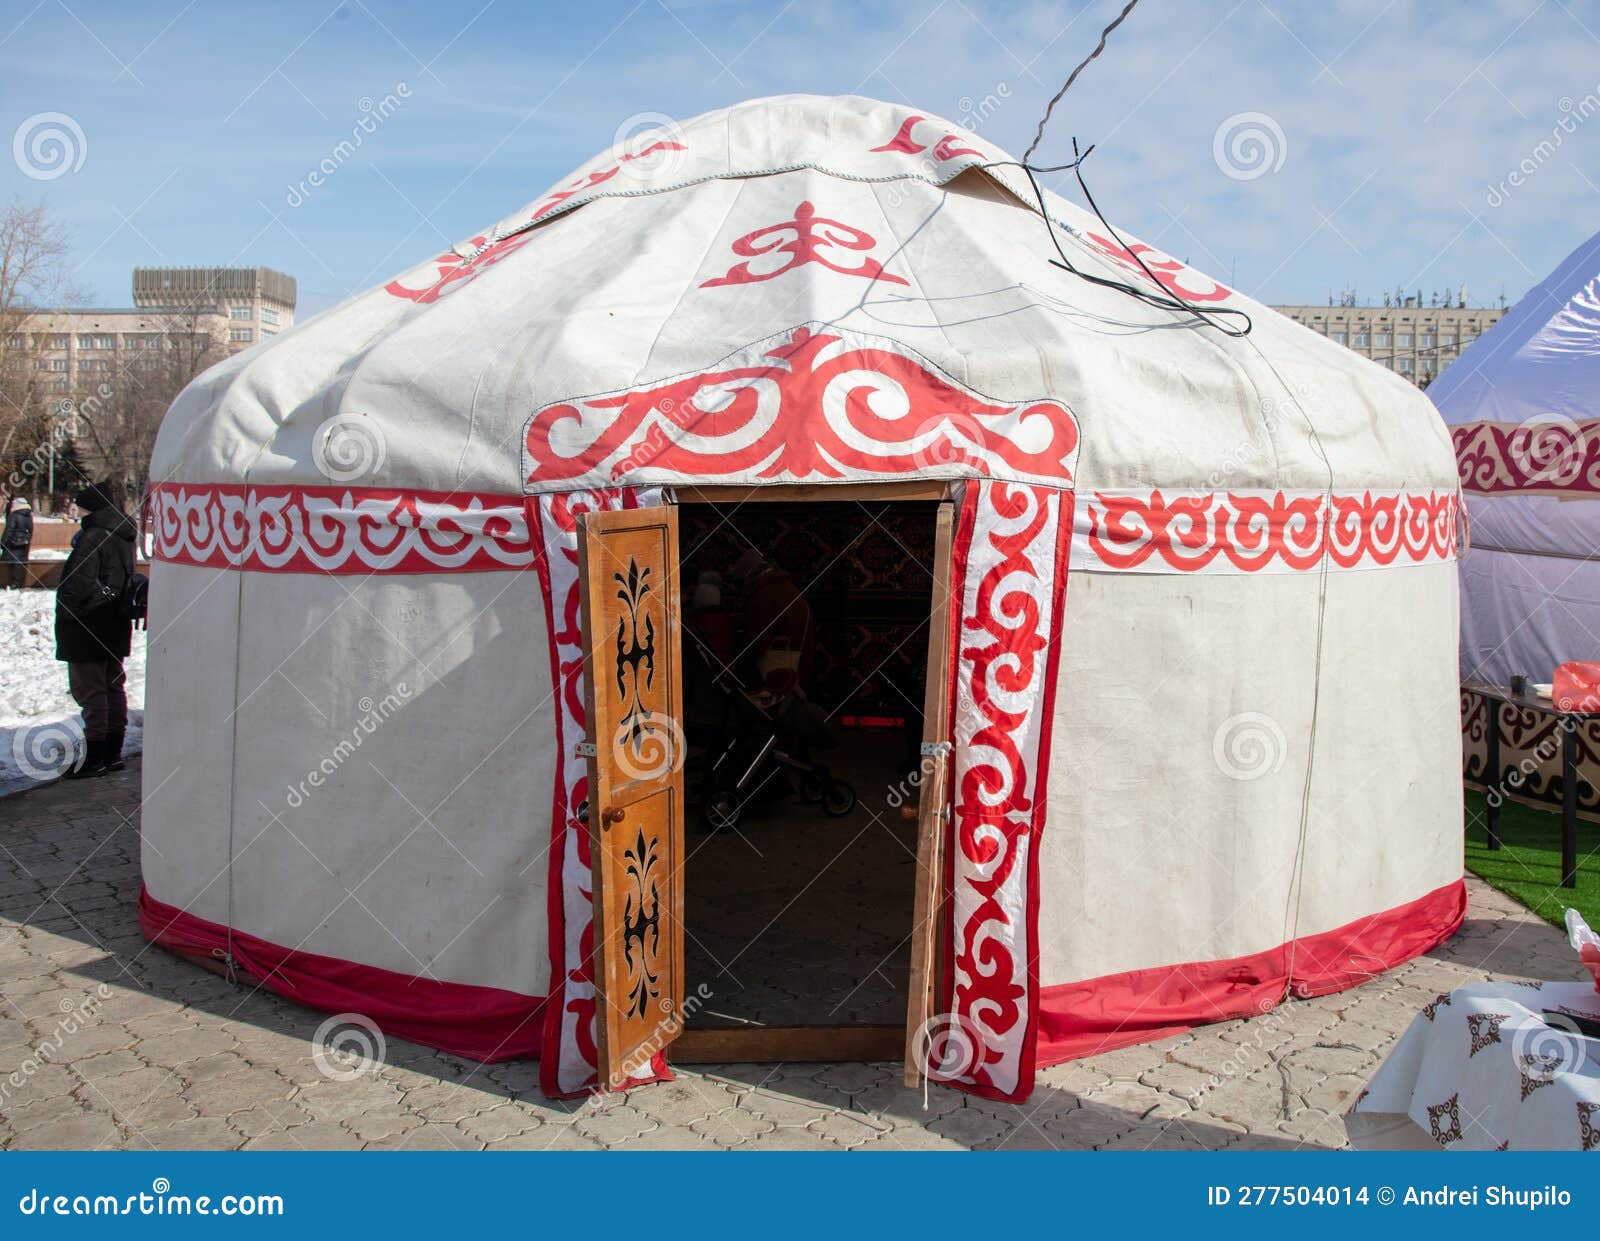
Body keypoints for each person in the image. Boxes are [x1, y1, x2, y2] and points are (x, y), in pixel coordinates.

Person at [55, 480, 135, 779]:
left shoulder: (93, 536)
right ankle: (112, 753)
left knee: (91, 692)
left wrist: (66, 616)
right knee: (112, 688)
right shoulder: (124, 534)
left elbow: (77, 585)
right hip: (114, 626)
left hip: (87, 627)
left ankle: (94, 758)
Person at [1, 496, 33, 589]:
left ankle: (13, 583)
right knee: (20, 563)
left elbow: (9, 530)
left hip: (13, 544)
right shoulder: (29, 515)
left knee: (10, 562)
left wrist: (3, 542)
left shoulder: (14, 515)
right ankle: (19, 582)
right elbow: (30, 530)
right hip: (24, 544)